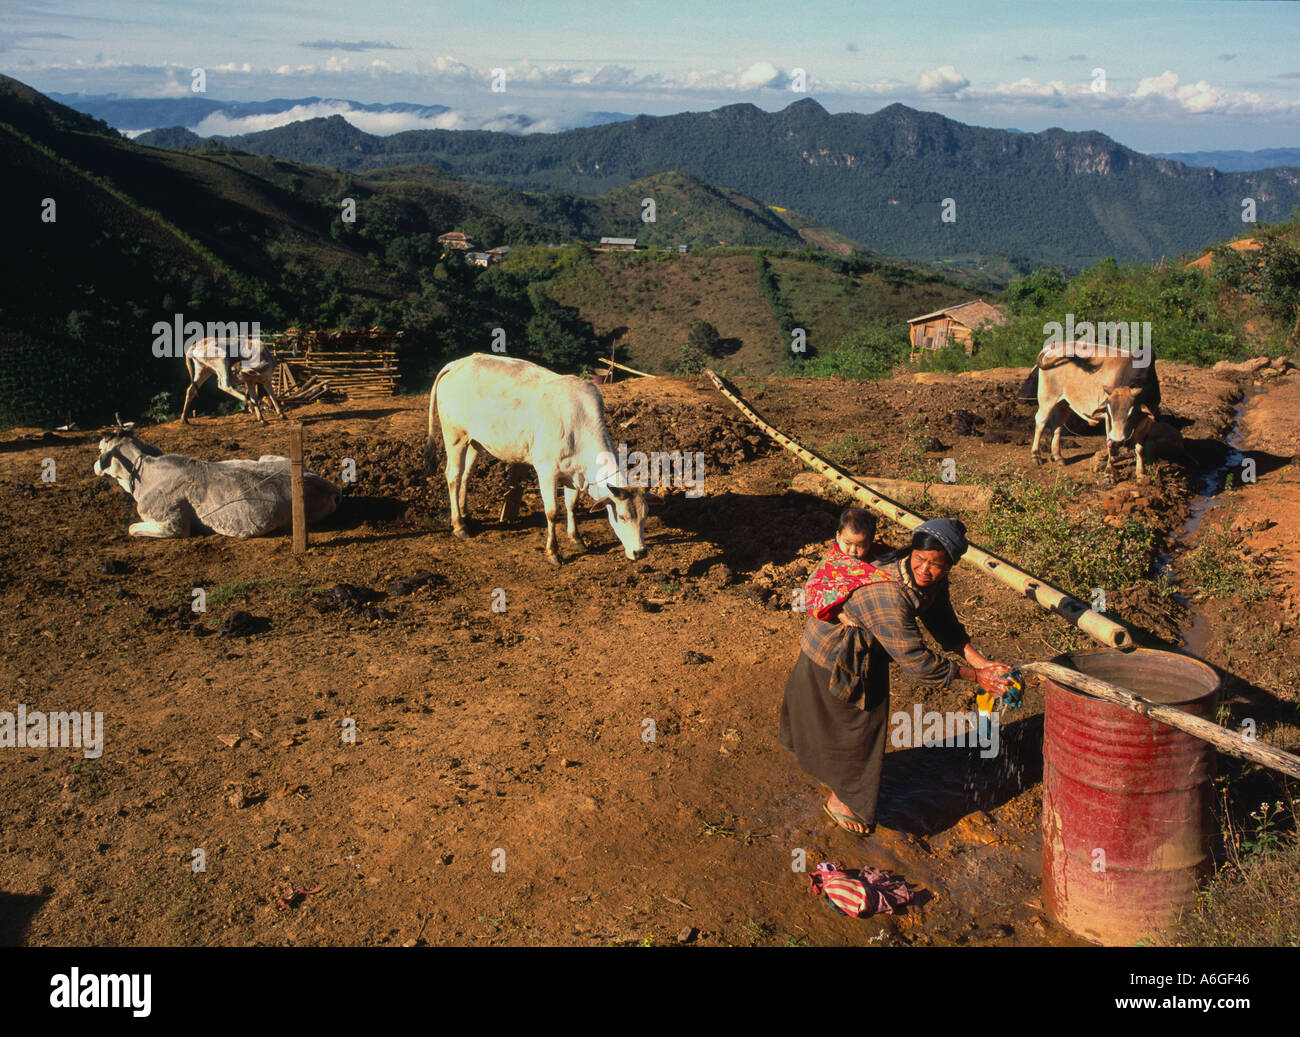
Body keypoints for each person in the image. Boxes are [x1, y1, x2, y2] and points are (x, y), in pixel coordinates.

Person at [780, 516, 1011, 837]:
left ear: (950, 566)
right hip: (833, 655)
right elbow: (918, 662)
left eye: (936, 564)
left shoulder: (928, 579)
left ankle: (833, 775)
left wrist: (981, 661)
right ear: (911, 552)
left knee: (847, 723)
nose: (925, 569)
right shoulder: (889, 593)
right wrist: (977, 677)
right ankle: (843, 800)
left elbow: (941, 619)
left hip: (863, 645)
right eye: (920, 559)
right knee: (859, 727)